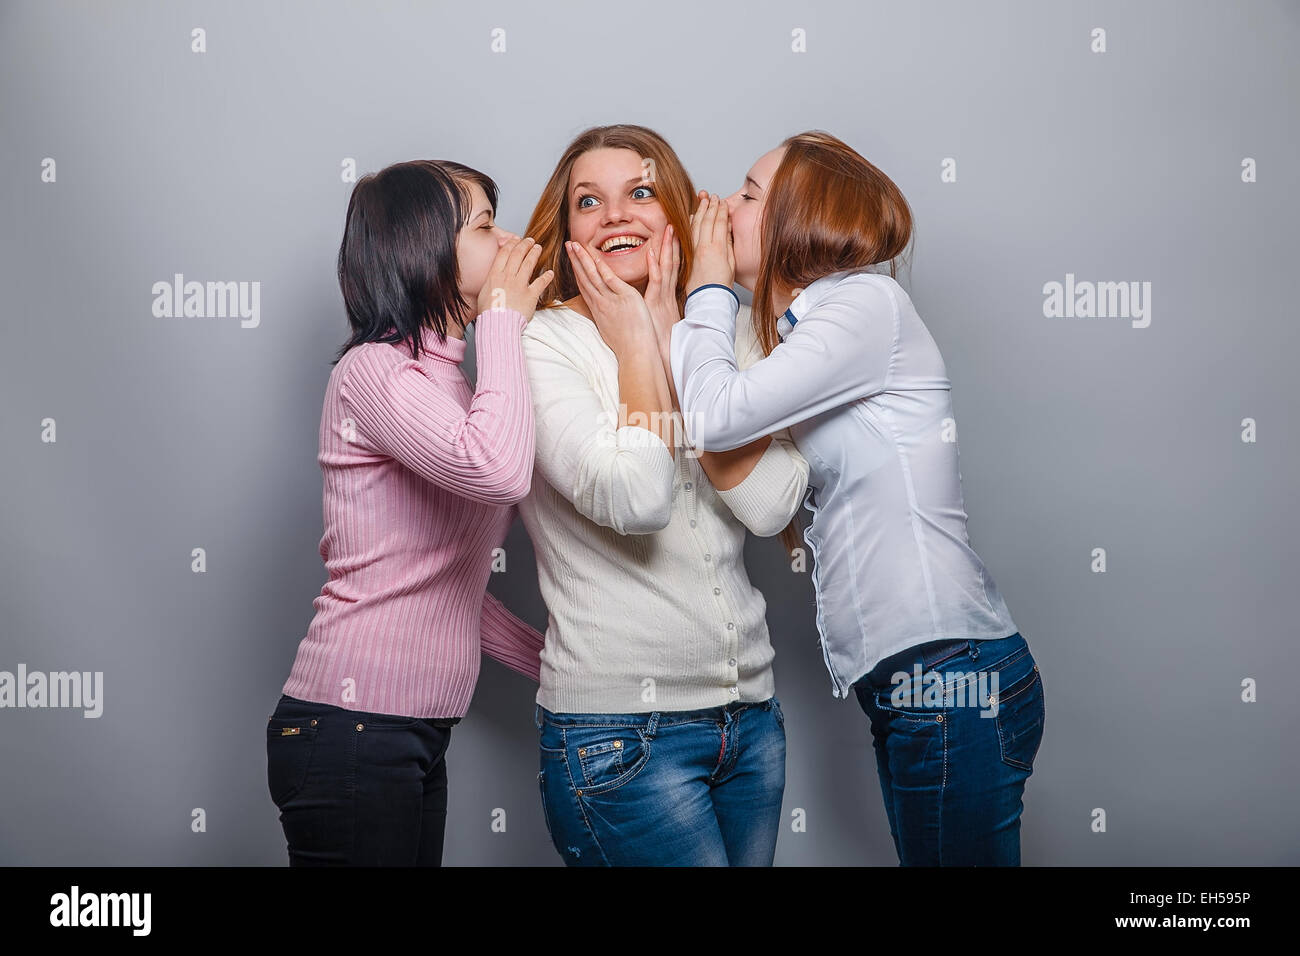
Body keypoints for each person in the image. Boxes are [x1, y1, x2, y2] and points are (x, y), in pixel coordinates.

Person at [670, 131, 1046, 865]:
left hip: (950, 673)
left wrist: (706, 287)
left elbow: (713, 415)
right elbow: (749, 468)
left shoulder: (865, 305)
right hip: (919, 679)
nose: (726, 206)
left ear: (795, 217)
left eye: (749, 193)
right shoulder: (811, 336)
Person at [514, 125, 810, 865]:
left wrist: (678, 331)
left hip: (749, 720)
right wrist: (638, 346)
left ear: (676, 214)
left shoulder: (728, 328)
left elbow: (770, 504)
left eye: (640, 192)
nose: (616, 214)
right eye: (590, 201)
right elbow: (638, 499)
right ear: (567, 230)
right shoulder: (539, 344)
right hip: (618, 732)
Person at [266, 159, 554, 866]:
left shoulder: (450, 387)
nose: (509, 239)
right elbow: (500, 468)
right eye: (486, 225)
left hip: (402, 730)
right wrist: (505, 324)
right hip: (350, 724)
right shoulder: (372, 370)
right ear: (425, 244)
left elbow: (446, 583)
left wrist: (565, 664)